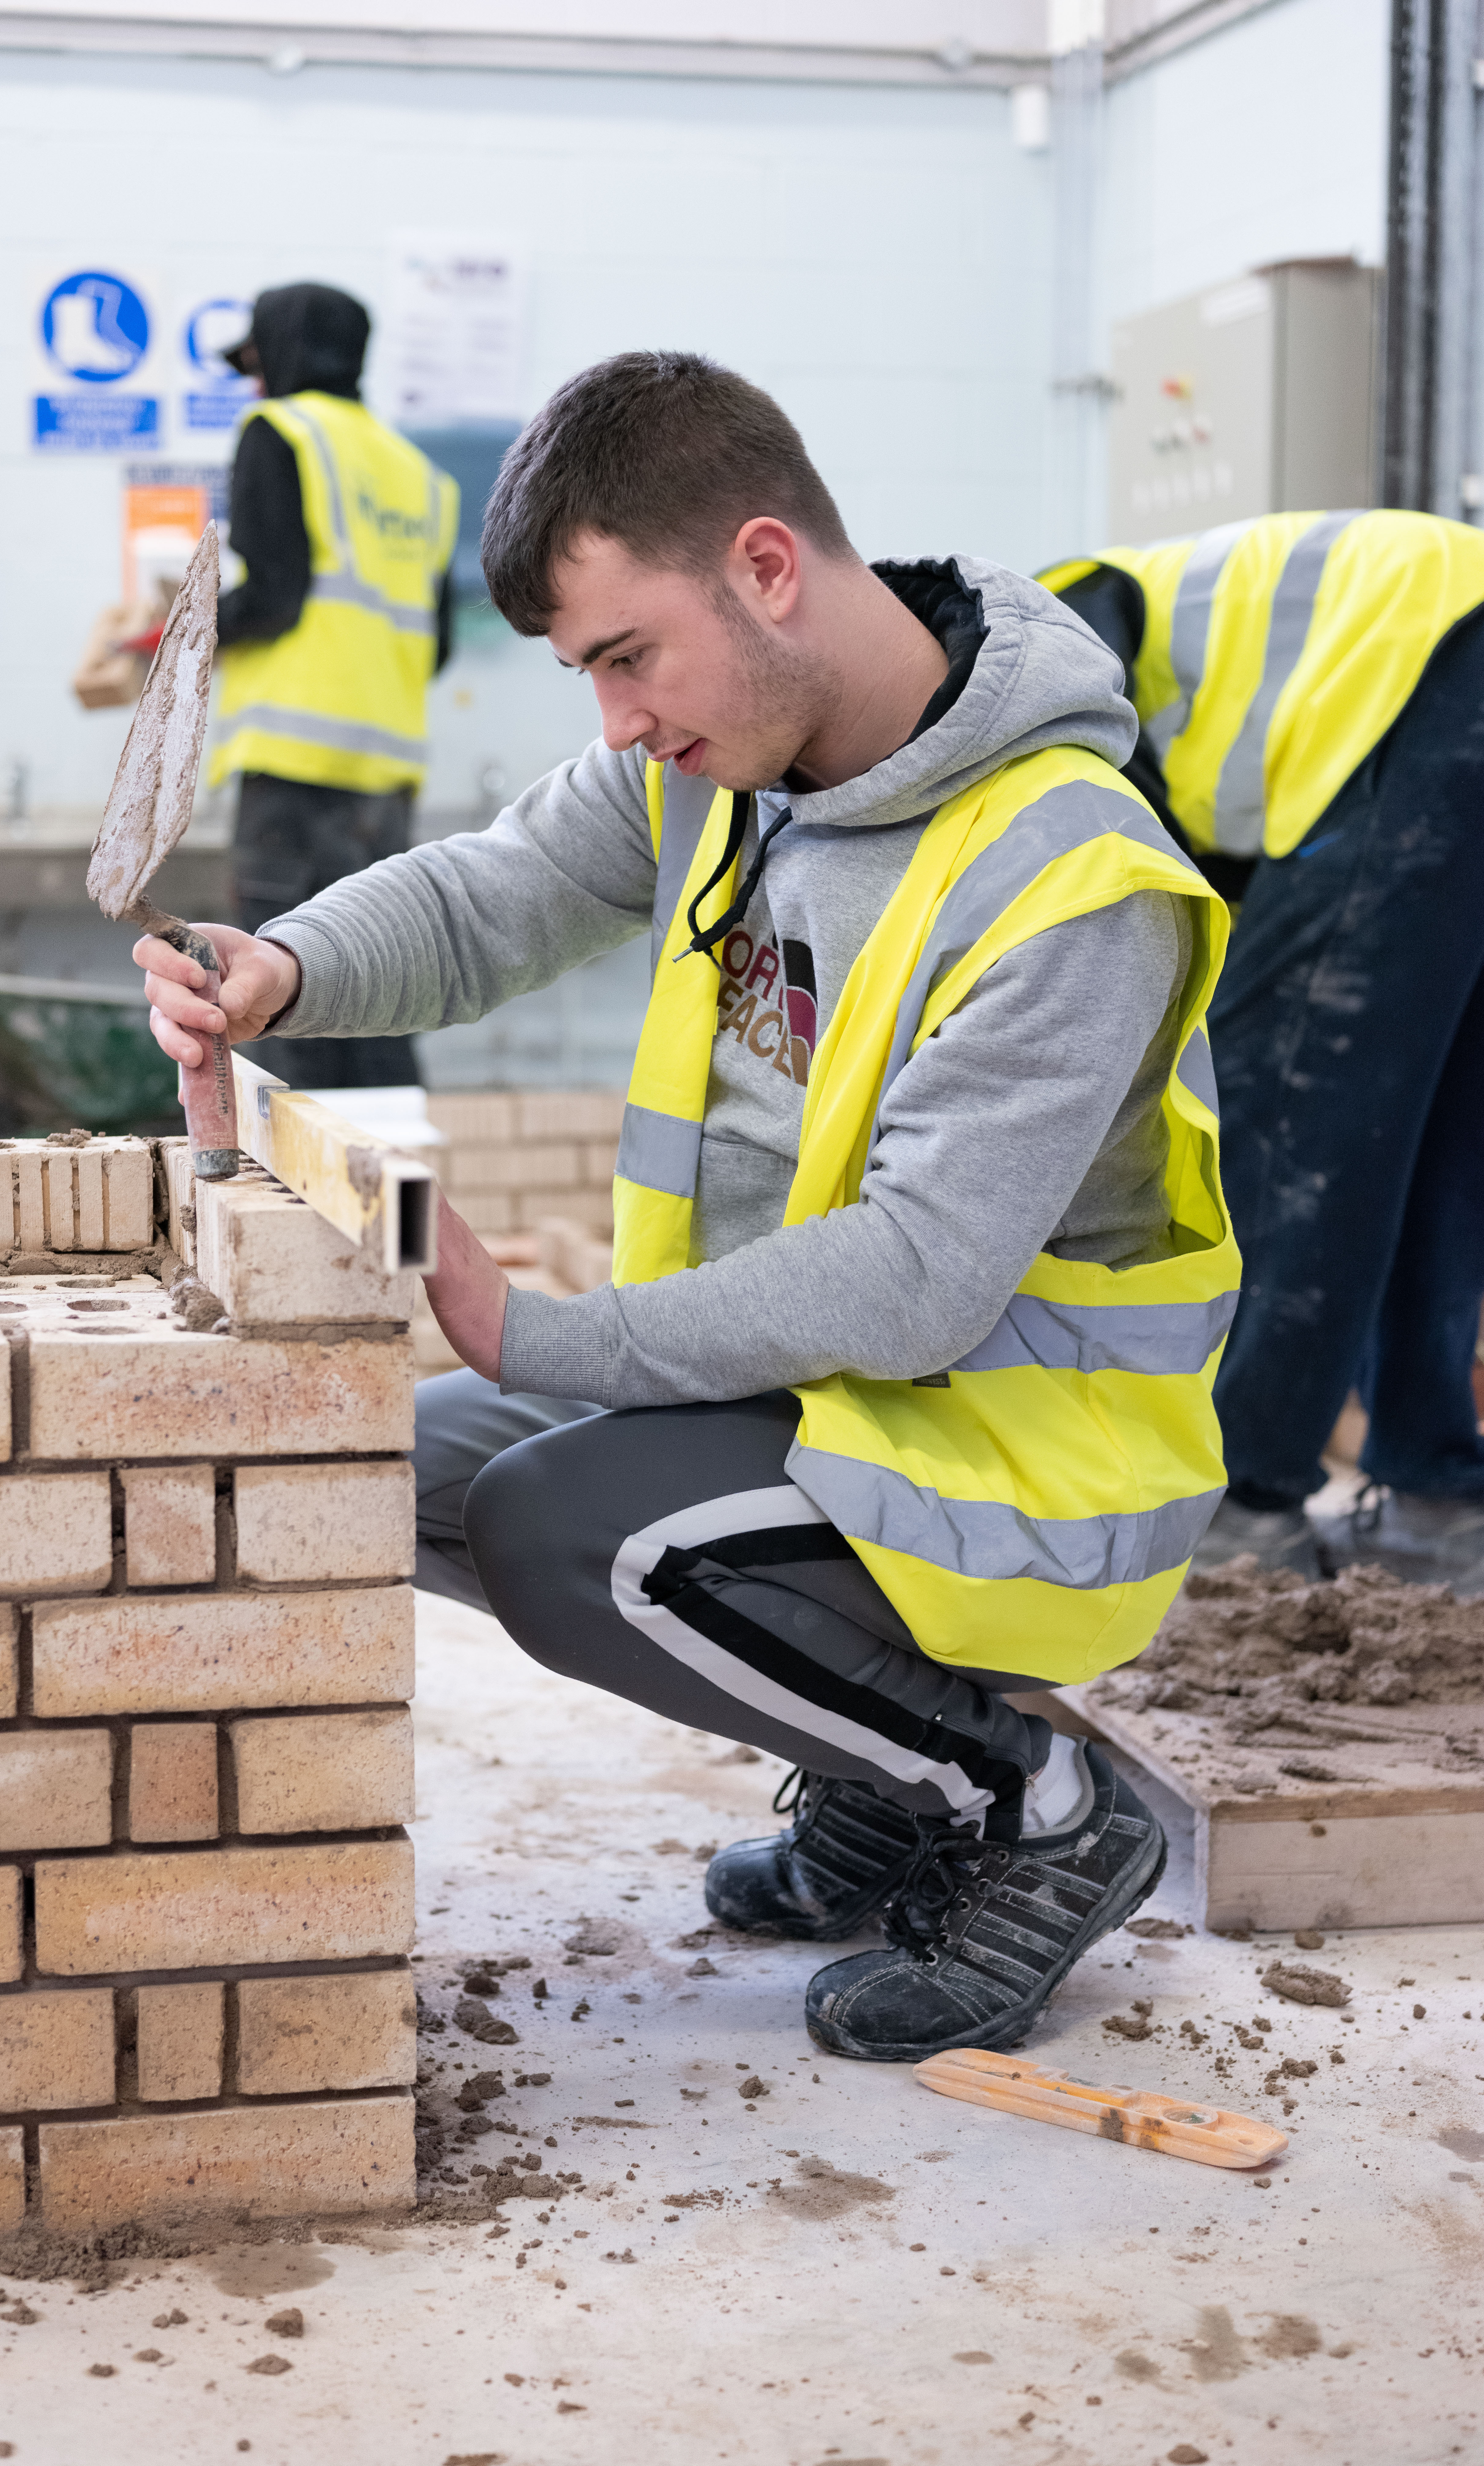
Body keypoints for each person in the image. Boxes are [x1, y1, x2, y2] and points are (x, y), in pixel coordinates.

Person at [138, 352, 1235, 2065]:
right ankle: (898, 1777)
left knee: (571, 1529)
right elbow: (500, 887)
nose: (621, 719)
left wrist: (547, 1331)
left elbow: (917, 1280)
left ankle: (1031, 1802)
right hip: (819, 1411)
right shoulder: (720, 771)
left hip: (1022, 1466)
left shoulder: (1071, 874)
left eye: (625, 656)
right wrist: (282, 965)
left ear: (768, 566)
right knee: (379, 1470)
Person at [1041, 513, 1484, 1591]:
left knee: (1294, 1105)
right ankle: (1431, 1489)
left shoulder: (1038, 655)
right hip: (1442, 665)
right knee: (1419, 1114)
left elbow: (1132, 910)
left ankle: (1235, 1494)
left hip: (1413, 677)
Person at [210, 282, 458, 1089]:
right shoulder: (417, 475)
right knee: (380, 986)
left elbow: (274, 594)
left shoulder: (278, 432)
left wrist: (177, 637)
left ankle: (304, 1209)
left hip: (292, 772)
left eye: (254, 362)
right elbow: (438, 642)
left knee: (280, 995)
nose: (253, 383)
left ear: (277, 356)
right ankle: (395, 1200)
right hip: (382, 785)